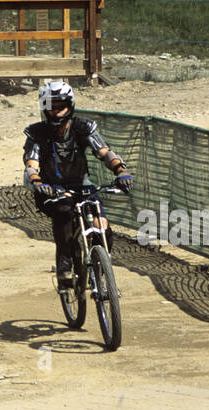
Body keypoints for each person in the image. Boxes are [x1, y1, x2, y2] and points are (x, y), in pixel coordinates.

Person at [23, 80, 134, 287]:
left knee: (103, 228)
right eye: (51, 106)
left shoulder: (83, 127)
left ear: (70, 104)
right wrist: (37, 182)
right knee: (65, 212)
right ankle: (65, 264)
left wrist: (121, 171)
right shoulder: (36, 133)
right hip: (50, 189)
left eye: (61, 106)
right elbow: (31, 163)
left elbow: (104, 152)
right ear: (43, 107)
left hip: (83, 186)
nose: (56, 111)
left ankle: (100, 273)